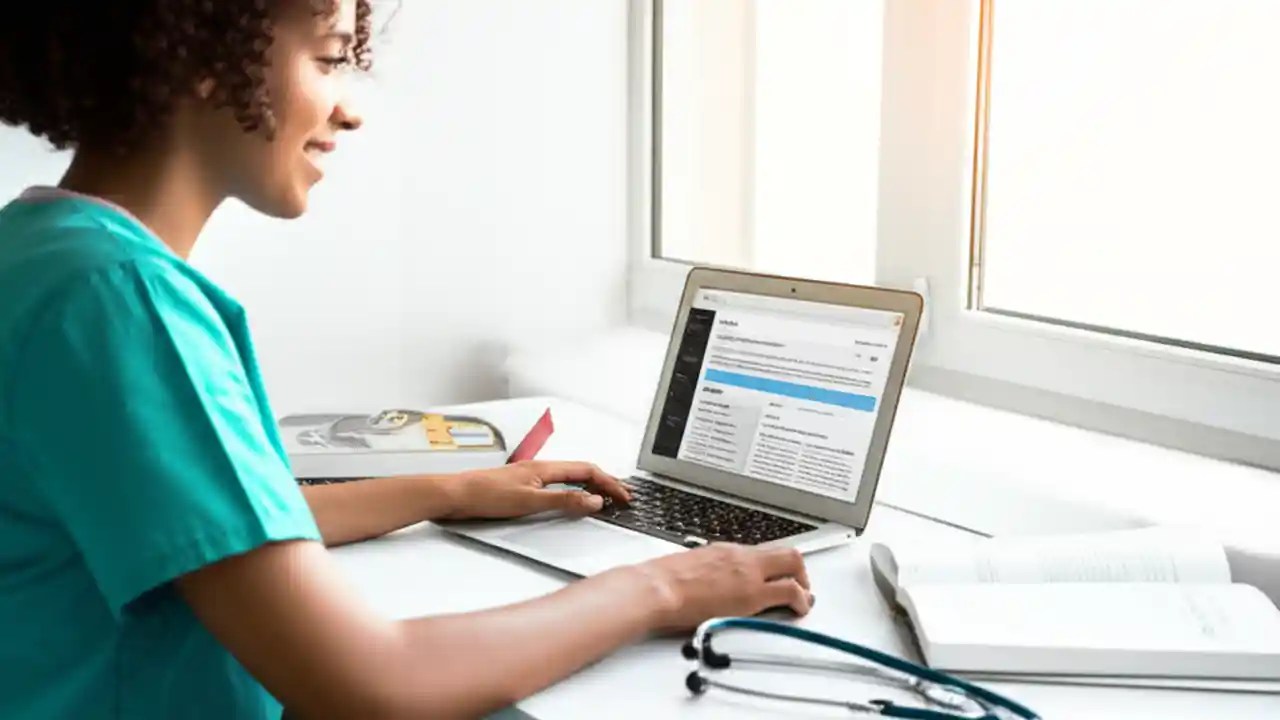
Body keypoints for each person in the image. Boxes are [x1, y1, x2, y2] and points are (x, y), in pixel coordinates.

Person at [0, 2, 812, 719]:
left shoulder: (41, 254)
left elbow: (195, 524)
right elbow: (371, 683)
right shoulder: (124, 300)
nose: (348, 111)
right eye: (324, 59)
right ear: (205, 55)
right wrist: (660, 588)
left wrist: (448, 490)